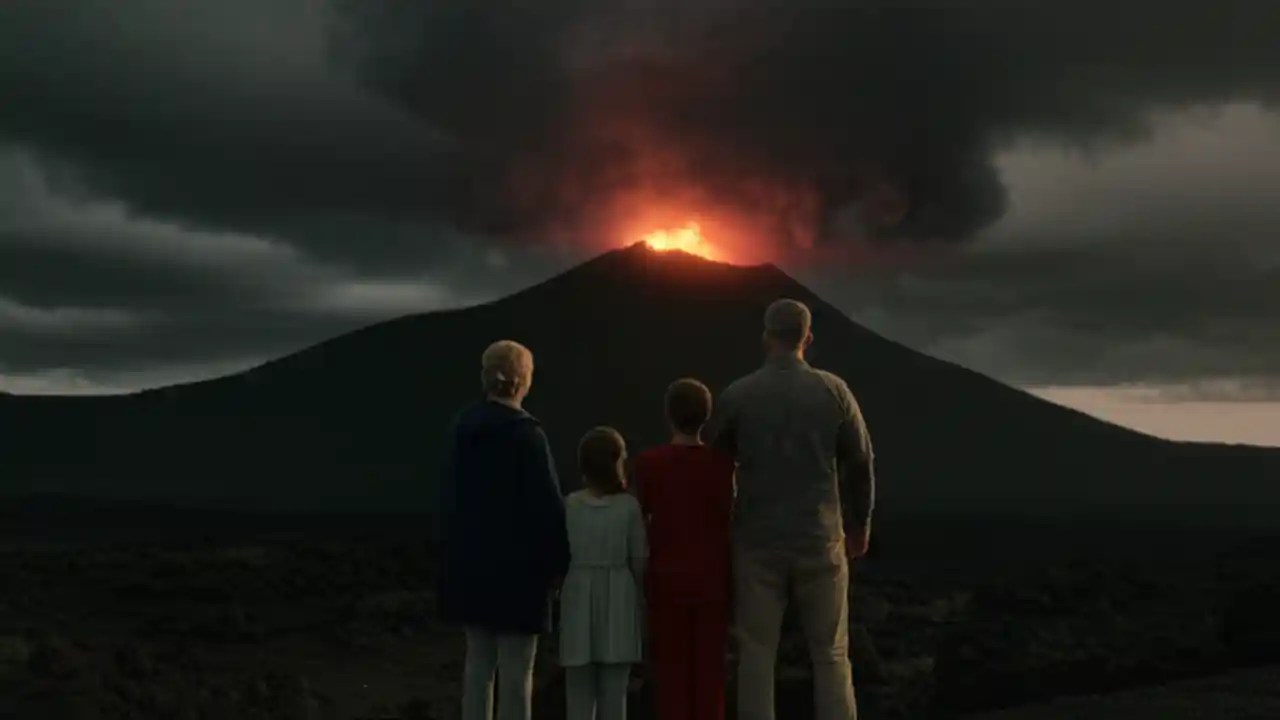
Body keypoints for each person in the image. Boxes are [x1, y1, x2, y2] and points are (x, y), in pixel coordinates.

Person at [706, 299, 877, 720]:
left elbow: (711, 465)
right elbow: (861, 461)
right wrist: (860, 524)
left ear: (766, 337)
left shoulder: (739, 395)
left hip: (756, 541)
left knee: (757, 653)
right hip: (820, 538)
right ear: (808, 339)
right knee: (832, 654)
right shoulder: (834, 391)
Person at [438, 340, 571, 720]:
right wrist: (560, 564)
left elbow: (449, 498)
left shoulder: (462, 429)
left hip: (469, 566)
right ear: (523, 381)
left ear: (486, 377)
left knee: (477, 667)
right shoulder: (528, 436)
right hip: (519, 575)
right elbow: (548, 508)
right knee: (516, 673)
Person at [634, 378, 736, 720]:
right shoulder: (722, 465)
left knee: (671, 675)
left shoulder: (650, 463)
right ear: (706, 416)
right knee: (709, 674)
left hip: (665, 582)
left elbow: (640, 520)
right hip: (712, 581)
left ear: (669, 415)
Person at [559, 427, 649, 720]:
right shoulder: (629, 508)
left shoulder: (570, 505)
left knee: (578, 695)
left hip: (578, 597)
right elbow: (640, 560)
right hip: (619, 600)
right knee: (615, 694)